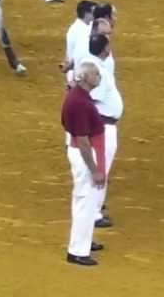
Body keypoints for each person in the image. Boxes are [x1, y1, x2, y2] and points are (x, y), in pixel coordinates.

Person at [62, 61, 107, 266]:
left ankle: (84, 242)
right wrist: (95, 169)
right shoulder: (79, 102)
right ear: (85, 77)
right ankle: (77, 251)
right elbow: (82, 140)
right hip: (84, 157)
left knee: (85, 201)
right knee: (84, 201)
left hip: (82, 154)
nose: (98, 76)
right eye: (95, 74)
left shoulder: (78, 97)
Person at [83, 31, 123, 229]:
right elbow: (93, 96)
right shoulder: (94, 70)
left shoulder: (96, 64)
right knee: (100, 172)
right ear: (105, 48)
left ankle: (94, 211)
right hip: (103, 127)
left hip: (104, 126)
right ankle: (94, 214)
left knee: (101, 171)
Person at [63, 0, 98, 79]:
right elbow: (73, 55)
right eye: (94, 12)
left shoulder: (86, 26)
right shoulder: (77, 30)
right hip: (79, 74)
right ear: (86, 14)